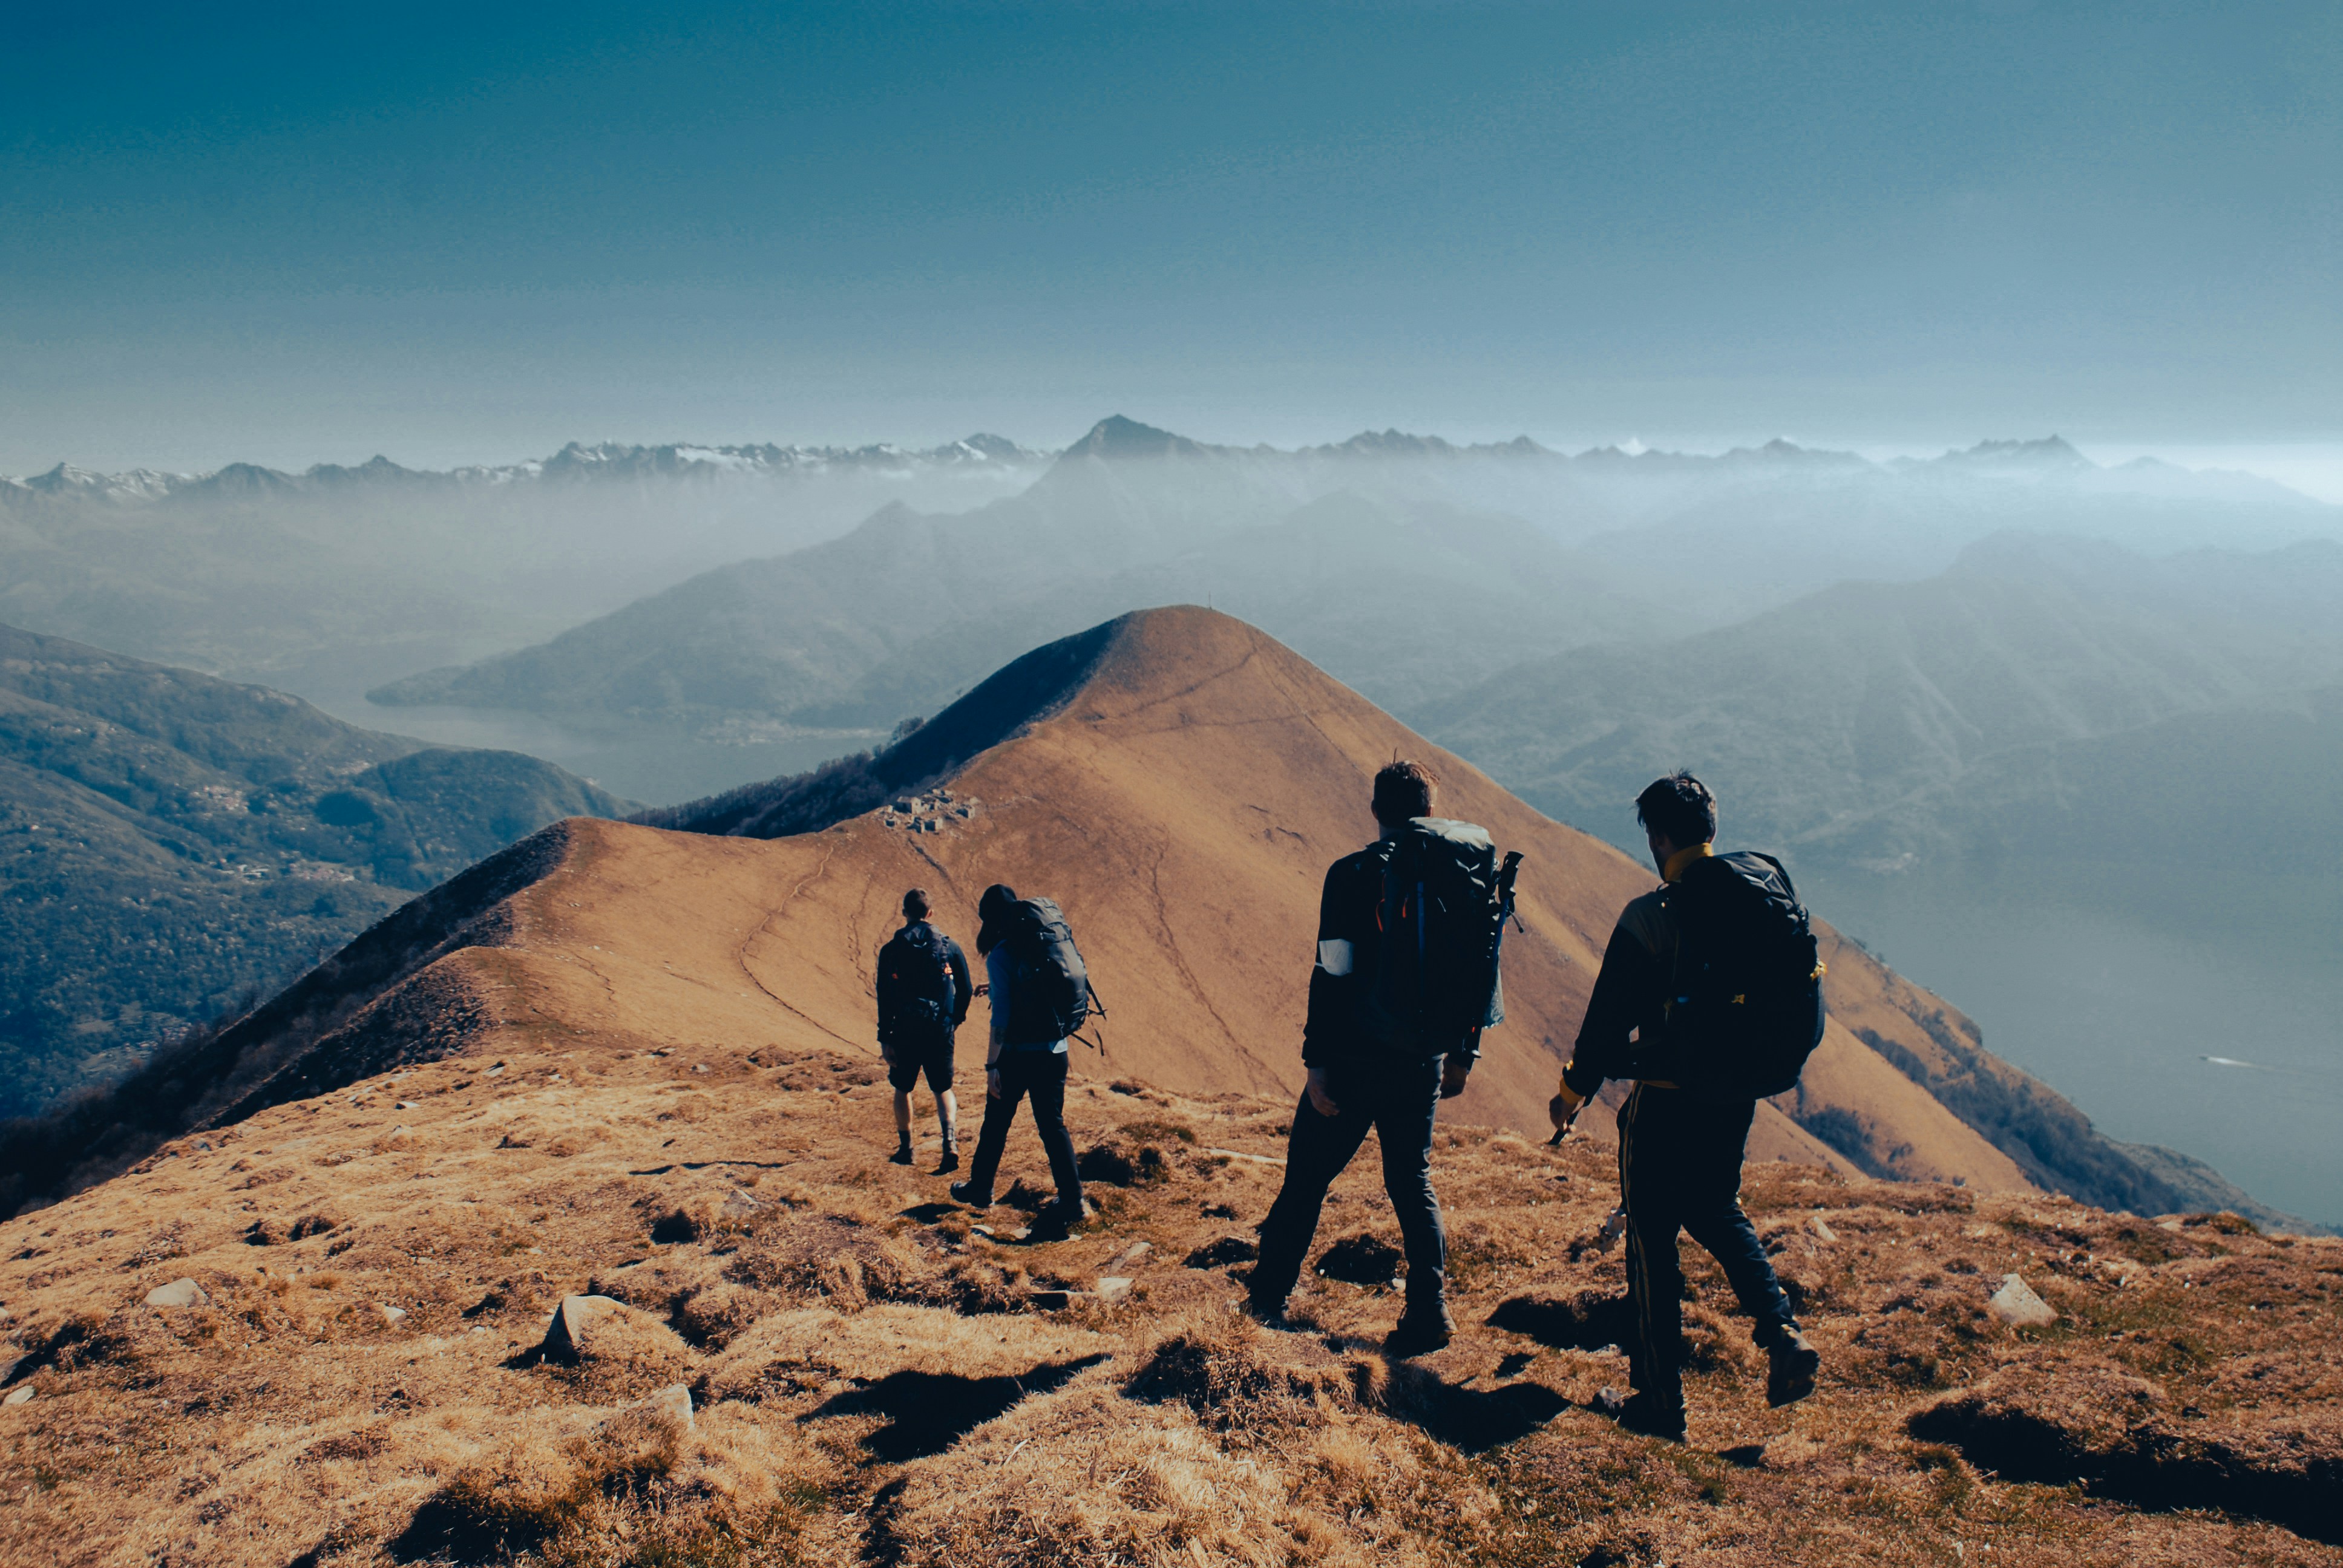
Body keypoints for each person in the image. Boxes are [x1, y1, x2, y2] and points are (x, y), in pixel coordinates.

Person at [1550, 771, 1821, 1441]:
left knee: (1649, 1241)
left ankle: (1656, 1403)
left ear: (1659, 835)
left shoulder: (1653, 917)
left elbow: (1605, 1025)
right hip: (1734, 1095)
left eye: (1649, 834)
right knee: (1716, 1206)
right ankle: (1780, 1329)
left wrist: (1569, 1095)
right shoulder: (1762, 883)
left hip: (1665, 1103)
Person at [1248, 759, 1507, 1356]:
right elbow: (1478, 966)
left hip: (1353, 1057)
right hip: (1420, 1057)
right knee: (1410, 1180)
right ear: (1430, 812)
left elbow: (1331, 972)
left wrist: (1317, 1064)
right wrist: (1462, 1051)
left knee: (1307, 1179)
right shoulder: (1457, 873)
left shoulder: (1353, 874)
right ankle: (1429, 1311)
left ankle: (1266, 1296)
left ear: (1375, 810)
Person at [949, 883, 1087, 1241]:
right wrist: (992, 987)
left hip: (1018, 1055)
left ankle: (980, 1188)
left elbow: (1003, 1019)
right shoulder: (1036, 942)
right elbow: (1031, 989)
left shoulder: (1001, 953)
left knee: (996, 1121)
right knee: (1053, 1126)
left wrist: (992, 1066)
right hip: (1056, 1050)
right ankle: (1073, 1201)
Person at [876, 888, 972, 1173]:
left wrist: (886, 1037)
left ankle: (906, 1150)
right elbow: (965, 989)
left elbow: (884, 995)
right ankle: (950, 1144)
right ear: (930, 913)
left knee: (903, 1087)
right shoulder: (949, 947)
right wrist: (955, 1020)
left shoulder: (891, 950)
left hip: (904, 1030)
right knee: (943, 1088)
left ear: (904, 912)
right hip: (939, 1028)